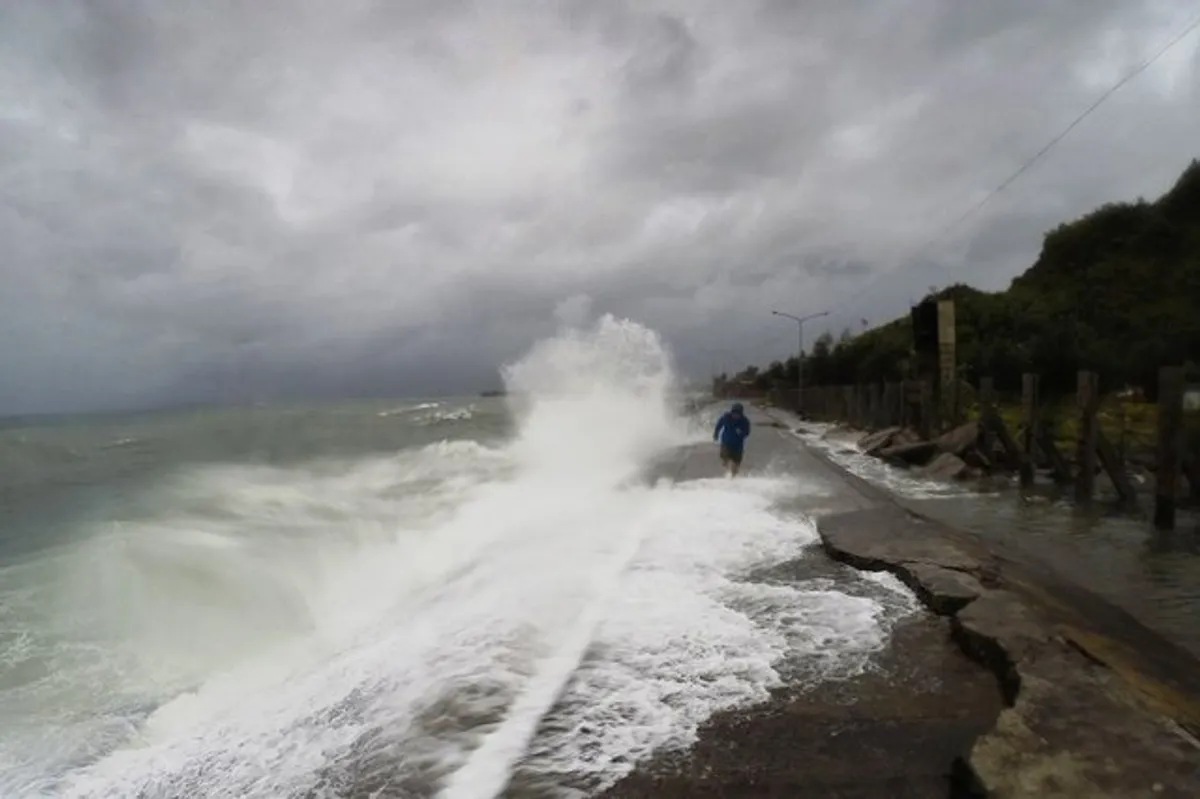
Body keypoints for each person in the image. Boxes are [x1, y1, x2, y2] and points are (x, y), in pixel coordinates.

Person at [713, 402, 751, 477]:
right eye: (734, 413)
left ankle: (733, 477)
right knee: (725, 458)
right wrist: (716, 434)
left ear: (741, 414)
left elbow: (747, 432)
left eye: (737, 414)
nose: (735, 416)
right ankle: (727, 468)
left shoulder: (744, 421)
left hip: (738, 445)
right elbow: (719, 425)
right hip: (726, 442)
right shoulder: (726, 417)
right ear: (731, 412)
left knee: (736, 462)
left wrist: (741, 433)